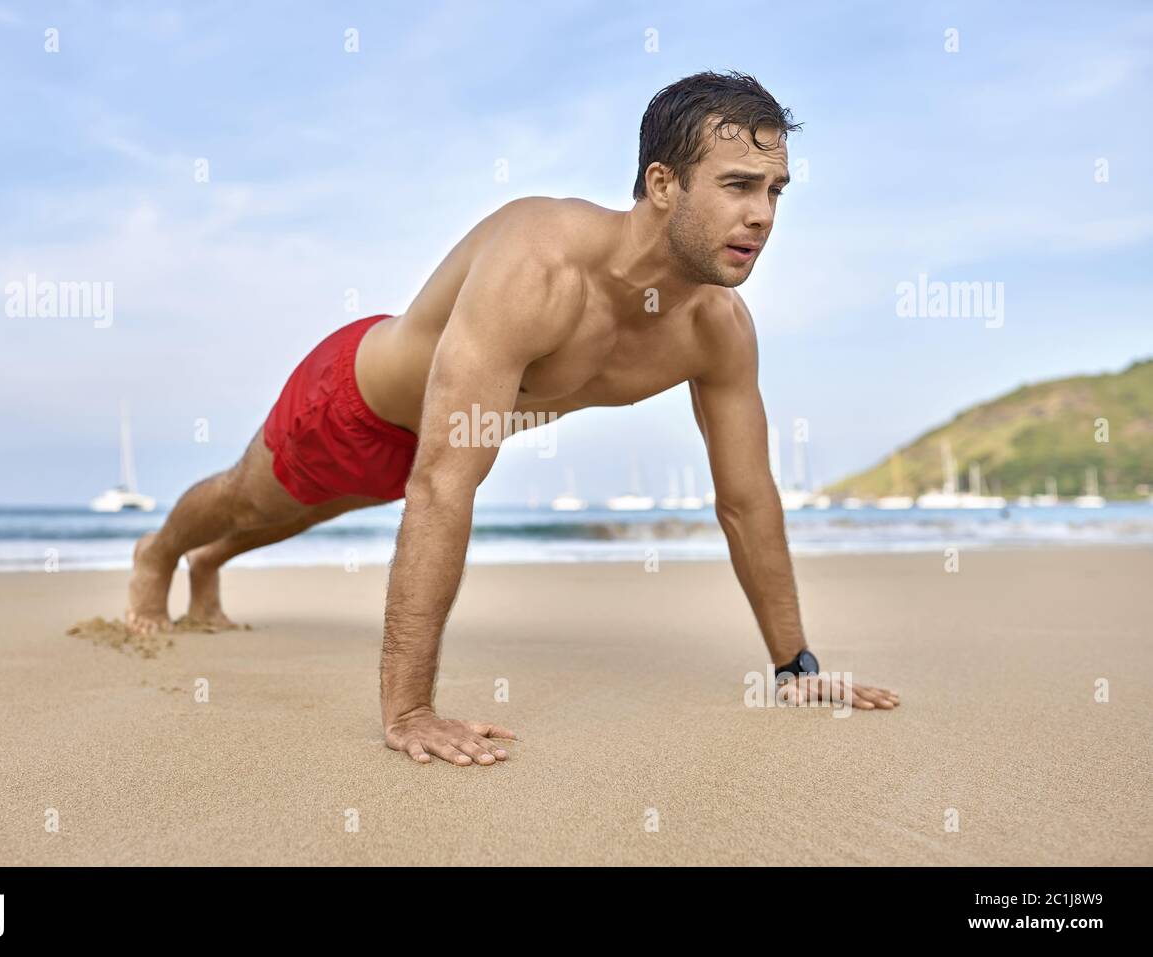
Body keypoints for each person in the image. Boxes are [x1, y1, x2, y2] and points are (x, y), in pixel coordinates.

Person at [125, 70, 900, 767]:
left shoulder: (716, 329)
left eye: (775, 191)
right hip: (355, 405)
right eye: (738, 185)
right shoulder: (541, 263)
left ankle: (209, 566)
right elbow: (442, 484)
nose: (761, 215)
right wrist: (410, 709)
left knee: (302, 513)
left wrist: (794, 664)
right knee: (250, 495)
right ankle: (158, 558)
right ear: (662, 183)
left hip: (441, 443)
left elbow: (746, 499)